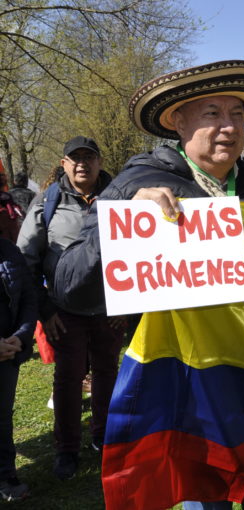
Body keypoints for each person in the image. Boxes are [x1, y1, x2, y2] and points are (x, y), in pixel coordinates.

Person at [53, 60, 244, 509]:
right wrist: (121, 225)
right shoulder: (136, 184)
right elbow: (71, 287)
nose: (229, 127)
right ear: (177, 122)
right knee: (206, 498)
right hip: (190, 391)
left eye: (237, 114)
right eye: (212, 113)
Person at [17, 136, 122, 481]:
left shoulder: (121, 198)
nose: (82, 163)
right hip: (64, 312)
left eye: (88, 157)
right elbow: (26, 260)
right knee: (68, 379)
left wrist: (128, 306)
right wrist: (46, 311)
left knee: (107, 374)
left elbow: (139, 253)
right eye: (74, 158)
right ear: (63, 164)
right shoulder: (47, 202)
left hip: (110, 311)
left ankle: (104, 437)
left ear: (99, 161)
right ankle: (67, 449)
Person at [0, 239, 36, 500]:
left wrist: (22, 336)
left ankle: (5, 475)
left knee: (2, 416)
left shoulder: (8, 250)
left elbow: (28, 297)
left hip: (7, 352)